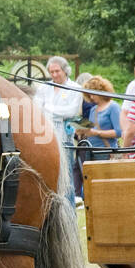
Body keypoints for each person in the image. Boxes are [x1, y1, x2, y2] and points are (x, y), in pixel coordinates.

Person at [32, 55, 83, 204]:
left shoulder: (75, 88)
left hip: (64, 138)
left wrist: (48, 109)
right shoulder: (44, 87)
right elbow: (36, 108)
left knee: (66, 176)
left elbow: (71, 111)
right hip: (44, 136)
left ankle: (69, 210)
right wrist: (55, 112)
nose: (54, 75)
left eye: (57, 71)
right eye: (51, 72)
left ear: (65, 70)